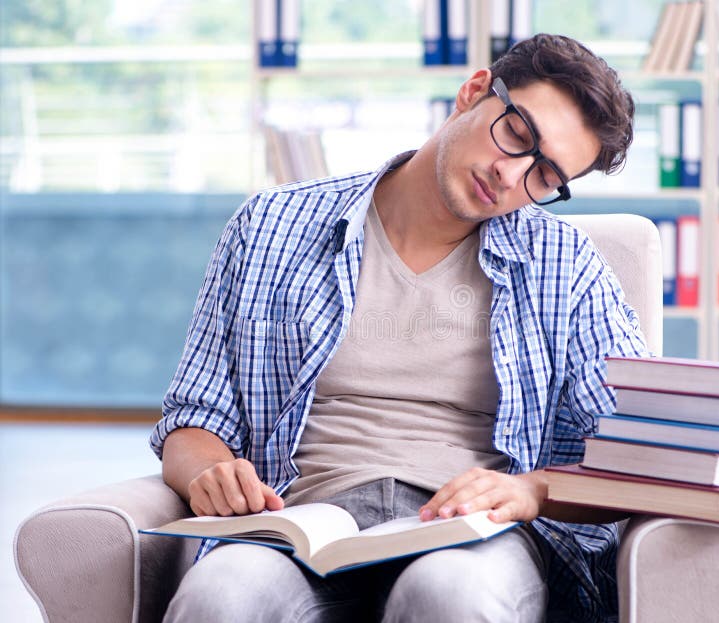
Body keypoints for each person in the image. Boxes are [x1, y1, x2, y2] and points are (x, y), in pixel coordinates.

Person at [150, 33, 650, 623]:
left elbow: (636, 449)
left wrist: (532, 491)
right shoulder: (272, 226)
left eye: (544, 175)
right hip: (303, 520)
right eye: (516, 135)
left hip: (468, 534)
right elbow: (194, 418)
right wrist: (211, 470)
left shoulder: (566, 266)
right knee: (223, 594)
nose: (510, 175)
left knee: (449, 595)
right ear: (473, 93)